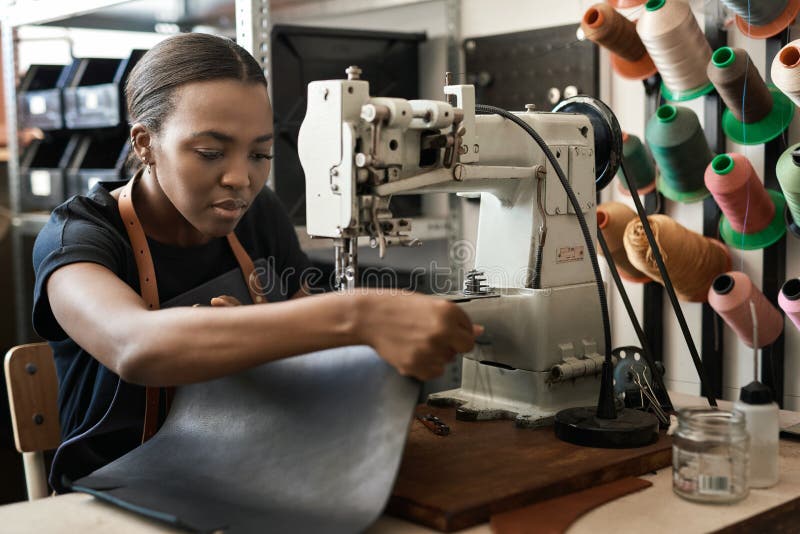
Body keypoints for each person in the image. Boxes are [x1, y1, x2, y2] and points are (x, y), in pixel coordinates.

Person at [32, 32, 481, 492]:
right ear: (145, 144)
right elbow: (135, 347)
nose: (240, 178)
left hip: (247, 468)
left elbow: (310, 340)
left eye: (261, 154)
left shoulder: (258, 215)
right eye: (210, 153)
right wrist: (358, 315)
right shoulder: (78, 237)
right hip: (113, 493)